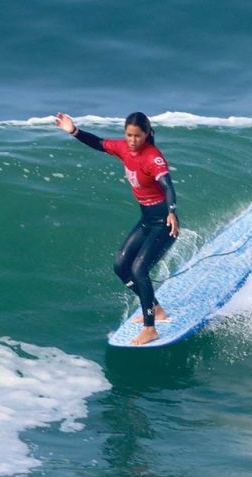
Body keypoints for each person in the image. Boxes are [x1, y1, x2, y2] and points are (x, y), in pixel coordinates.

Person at [55, 111, 180, 345]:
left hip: (164, 223)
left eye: (137, 136)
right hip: (146, 219)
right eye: (129, 135)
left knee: (139, 270)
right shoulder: (123, 149)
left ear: (147, 134)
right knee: (121, 266)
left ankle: (150, 327)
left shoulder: (153, 158)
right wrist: (74, 131)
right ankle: (156, 309)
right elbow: (98, 143)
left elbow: (168, 186)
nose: (133, 140)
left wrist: (172, 210)